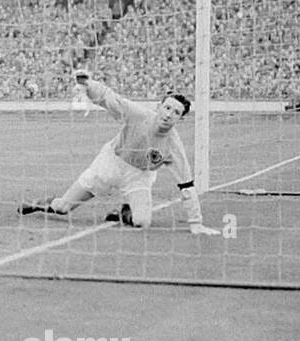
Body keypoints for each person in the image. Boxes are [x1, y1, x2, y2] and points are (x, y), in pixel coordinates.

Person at [19, 70, 221, 234]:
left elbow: (186, 185)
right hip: (110, 164)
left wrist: (196, 222)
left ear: (181, 119)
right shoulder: (138, 115)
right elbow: (110, 98)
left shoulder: (173, 146)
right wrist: (89, 85)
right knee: (63, 208)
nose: (169, 114)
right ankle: (42, 204)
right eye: (167, 108)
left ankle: (125, 212)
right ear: (159, 106)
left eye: (176, 112)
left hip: (139, 176)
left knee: (142, 222)